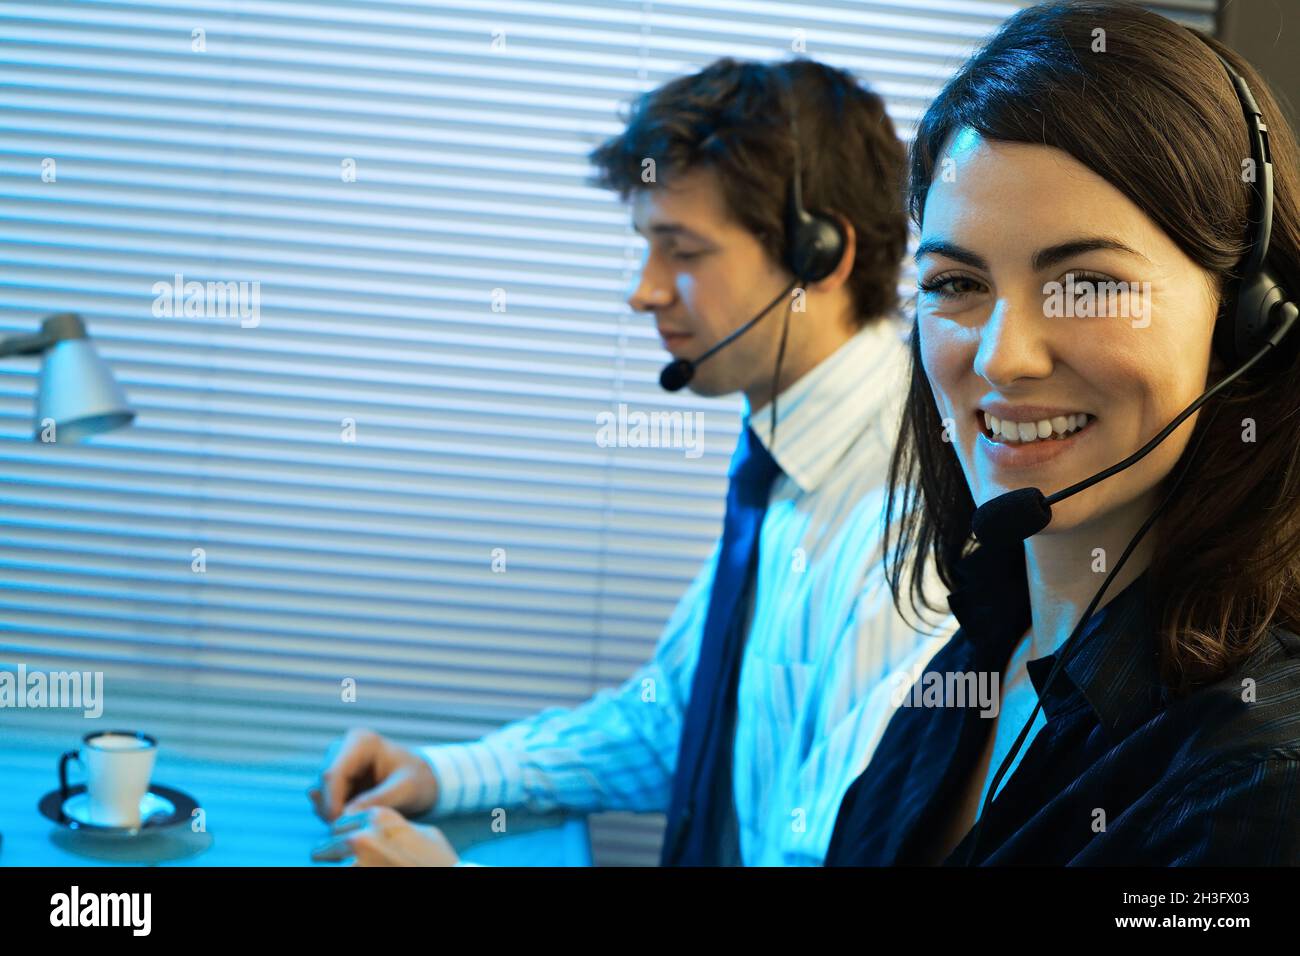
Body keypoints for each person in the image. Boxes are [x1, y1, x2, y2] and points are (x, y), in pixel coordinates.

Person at [307, 57, 956, 866]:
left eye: (679, 250)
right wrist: (446, 773)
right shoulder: (791, 456)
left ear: (818, 257)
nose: (643, 292)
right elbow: (672, 725)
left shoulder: (908, 528)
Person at [824, 0, 1300, 866]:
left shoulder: (1259, 778)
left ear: (1245, 320)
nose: (1005, 357)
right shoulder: (984, 649)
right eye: (957, 284)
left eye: (1084, 281)